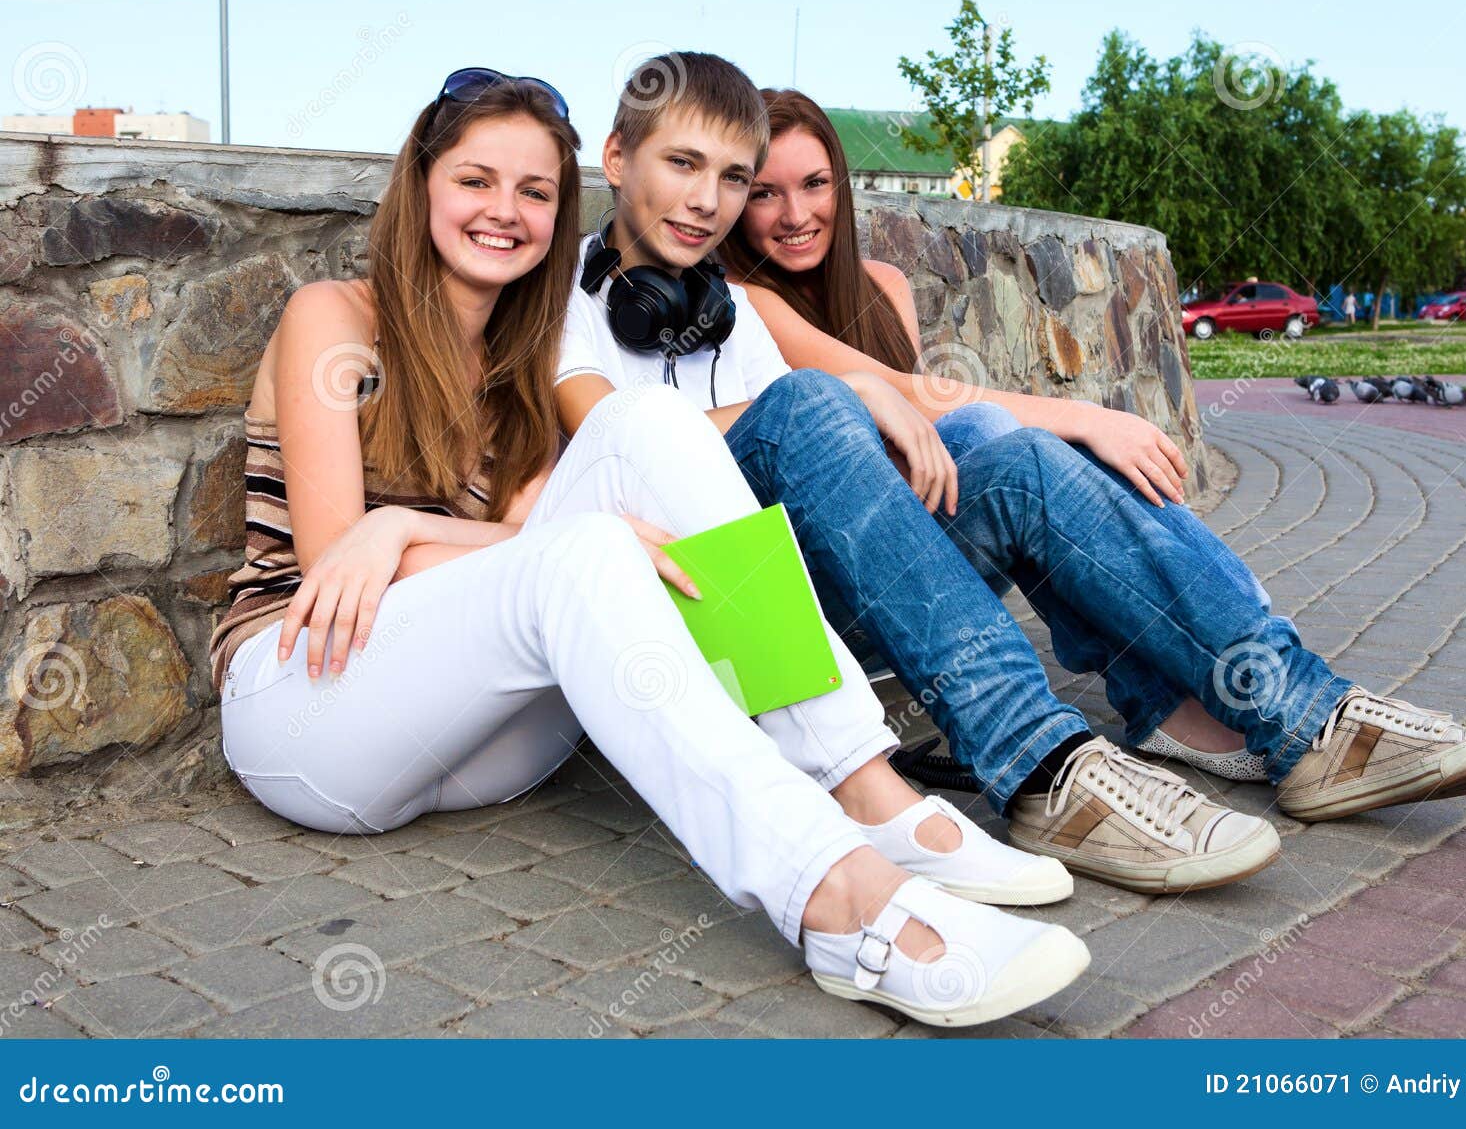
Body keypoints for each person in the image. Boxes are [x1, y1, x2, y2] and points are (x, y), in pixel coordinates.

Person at [207, 68, 1088, 1027]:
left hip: (484, 743)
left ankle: (863, 785)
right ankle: (842, 898)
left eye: (536, 192)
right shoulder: (336, 321)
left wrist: (418, 523)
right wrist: (433, 530)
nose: (505, 211)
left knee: (650, 424)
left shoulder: (528, 356)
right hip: (312, 705)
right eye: (475, 180)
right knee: (582, 547)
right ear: (421, 183)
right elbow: (343, 561)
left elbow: (517, 543)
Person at [716, 85, 1466, 843]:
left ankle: (1272, 715)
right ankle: (1229, 708)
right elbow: (907, 392)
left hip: (917, 562)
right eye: (764, 192)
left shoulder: (880, 282)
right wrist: (1089, 415)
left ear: (843, 186)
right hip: (836, 601)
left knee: (1013, 450)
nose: (794, 213)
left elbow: (930, 431)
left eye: (814, 184)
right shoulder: (745, 301)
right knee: (1024, 445)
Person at [555, 54, 1298, 897]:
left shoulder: (732, 309)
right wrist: (848, 393)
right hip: (698, 631)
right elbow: (613, 432)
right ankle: (1042, 760)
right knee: (812, 404)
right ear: (616, 158)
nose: (707, 200)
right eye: (683, 165)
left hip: (805, 618)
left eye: (731, 177)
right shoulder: (558, 305)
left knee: (1007, 458)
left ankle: (1299, 709)